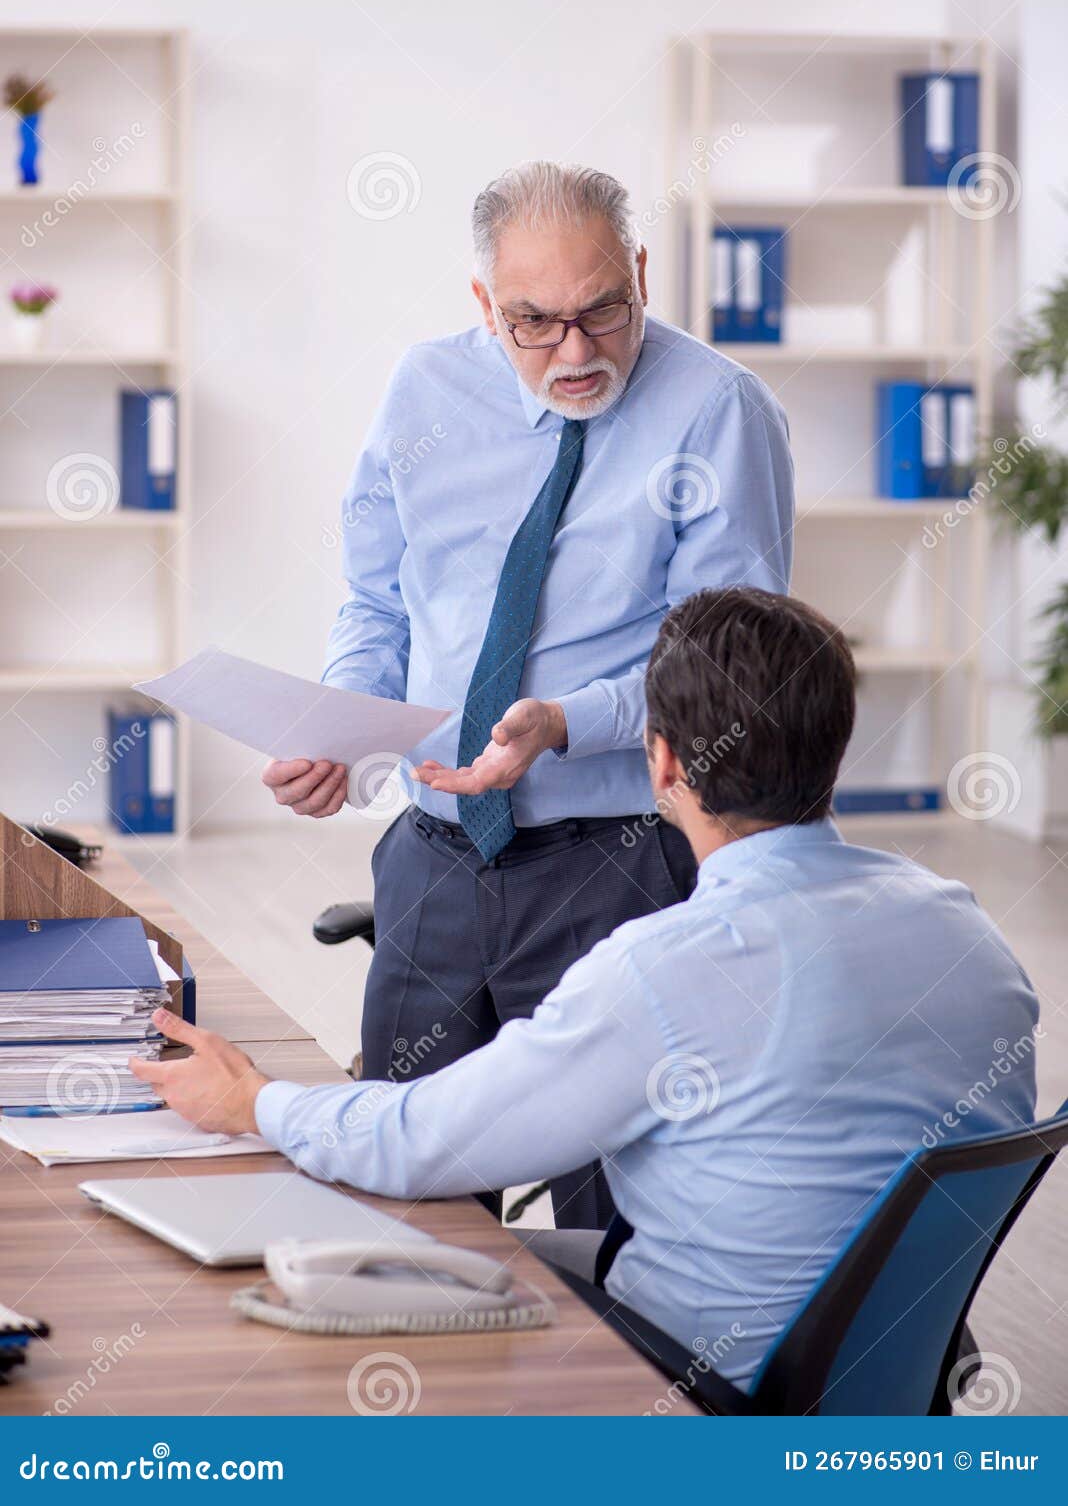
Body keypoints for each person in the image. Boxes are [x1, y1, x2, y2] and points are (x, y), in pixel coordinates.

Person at [133, 586, 1039, 1391]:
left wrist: (254, 1102)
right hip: (889, 1375)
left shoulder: (666, 969)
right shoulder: (971, 937)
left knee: (381, 1276)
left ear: (664, 763)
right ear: (836, 744)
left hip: (685, 1379)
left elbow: (421, 1142)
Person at [258, 161, 794, 1228]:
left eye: (603, 310)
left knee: (611, 1217)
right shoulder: (425, 389)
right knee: (407, 1186)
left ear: (641, 273)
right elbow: (377, 598)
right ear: (482, 306)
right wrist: (343, 719)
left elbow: (725, 665)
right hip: (433, 859)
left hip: (615, 860)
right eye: (535, 323)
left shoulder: (718, 410)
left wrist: (567, 722)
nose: (577, 351)